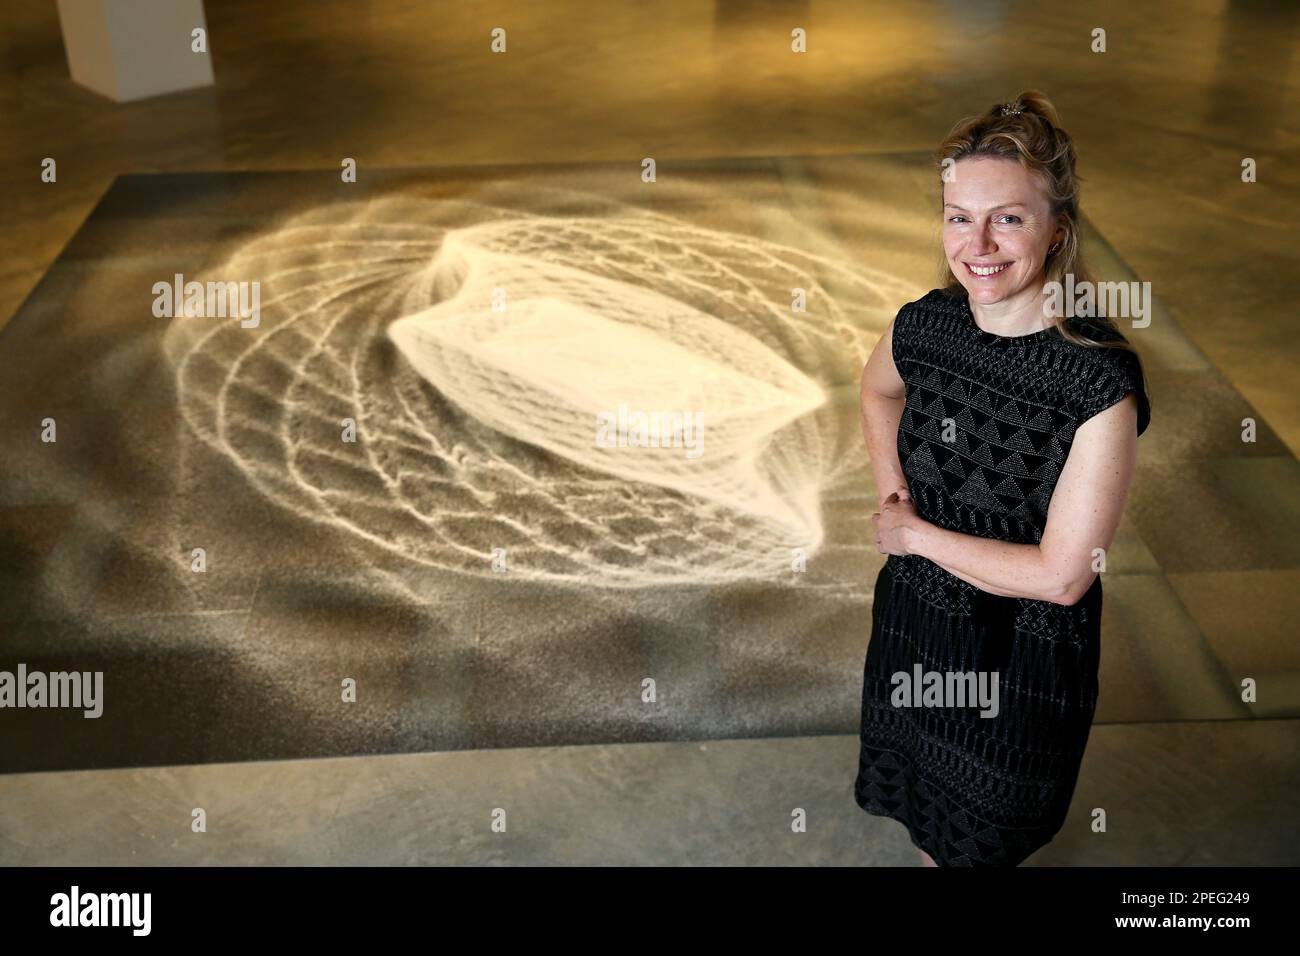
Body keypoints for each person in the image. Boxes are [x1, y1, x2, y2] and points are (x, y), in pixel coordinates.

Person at [853, 90, 1152, 867]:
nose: (977, 242)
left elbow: (1060, 578)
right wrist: (894, 489)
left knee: (983, 840)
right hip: (918, 624)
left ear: (1058, 229)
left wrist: (913, 532)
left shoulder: (1096, 383)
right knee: (927, 819)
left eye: (1009, 217)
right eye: (959, 215)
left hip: (1018, 659)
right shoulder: (925, 324)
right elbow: (877, 388)